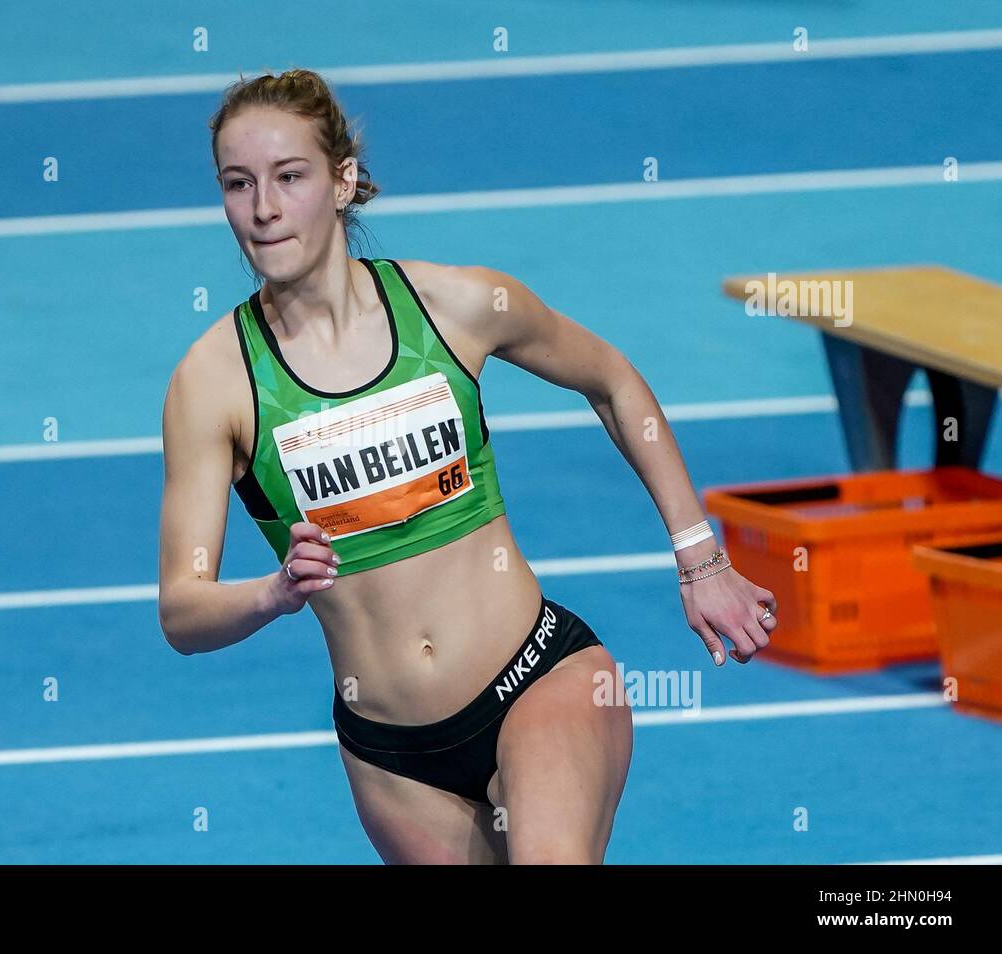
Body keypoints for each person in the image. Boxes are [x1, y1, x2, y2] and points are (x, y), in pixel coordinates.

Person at [157, 68, 778, 864]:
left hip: (537, 680)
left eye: (290, 177)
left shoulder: (456, 307)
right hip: (392, 757)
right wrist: (273, 593)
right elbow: (182, 611)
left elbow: (613, 382)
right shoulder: (214, 383)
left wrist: (701, 557)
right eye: (238, 184)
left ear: (343, 180)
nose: (264, 209)